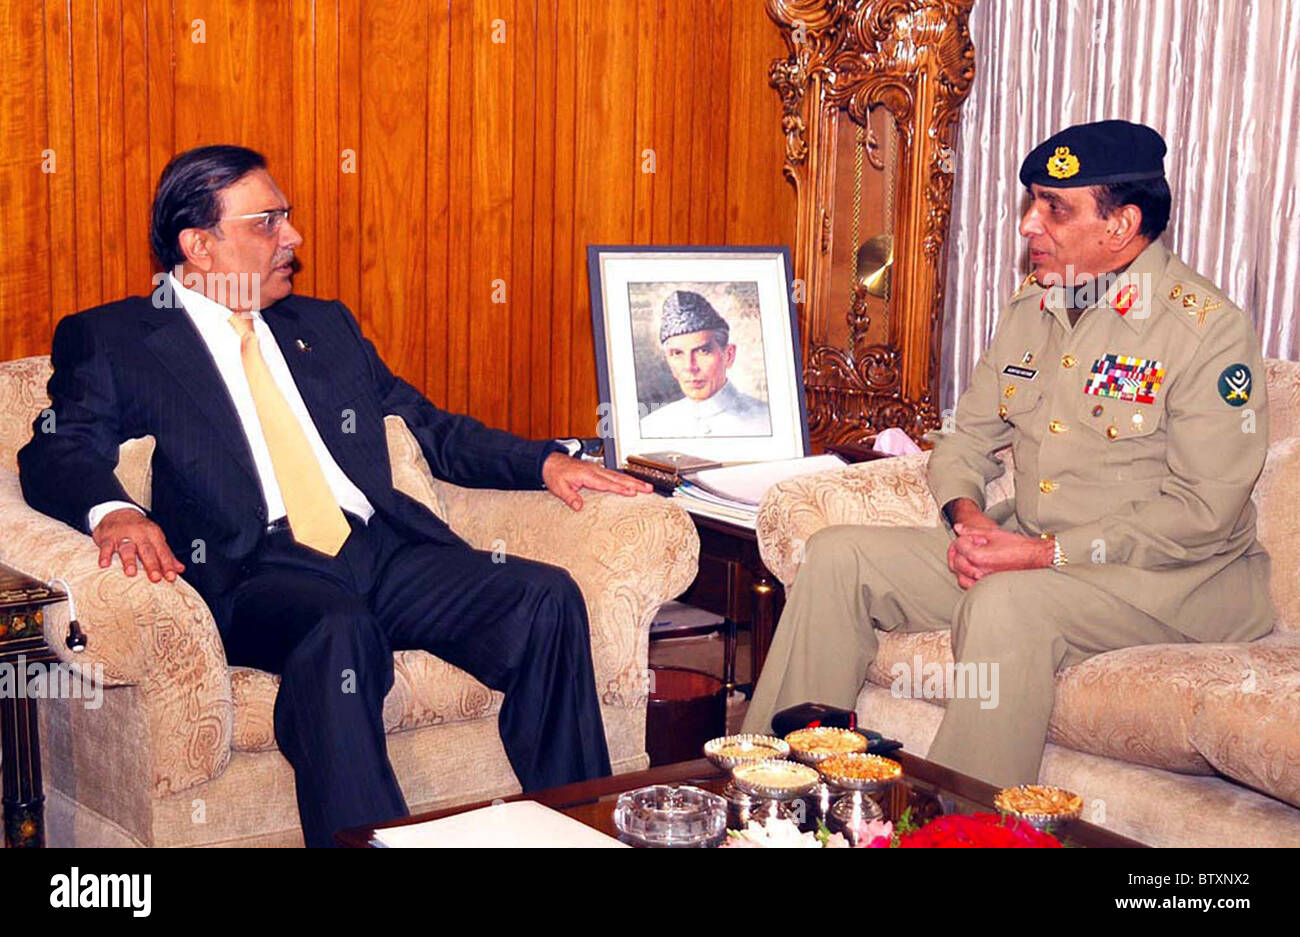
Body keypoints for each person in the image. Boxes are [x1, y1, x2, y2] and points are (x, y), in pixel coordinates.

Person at [18, 144, 652, 846]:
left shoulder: (321, 326)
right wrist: (116, 512)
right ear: (198, 245)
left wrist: (544, 463)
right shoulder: (117, 340)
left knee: (543, 597)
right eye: (267, 223)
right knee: (337, 631)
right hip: (252, 571)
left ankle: (581, 830)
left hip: (375, 548)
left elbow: (428, 426)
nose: (291, 238)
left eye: (285, 218)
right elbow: (55, 448)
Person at [740, 120, 1273, 788]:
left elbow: (1204, 513)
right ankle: (777, 791)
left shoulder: (1206, 331)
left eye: (1055, 208)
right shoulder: (1036, 304)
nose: (1029, 224)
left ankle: (956, 833)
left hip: (1173, 581)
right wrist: (970, 518)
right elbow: (965, 437)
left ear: (1120, 224)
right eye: (1033, 202)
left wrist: (1042, 554)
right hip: (1039, 552)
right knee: (840, 554)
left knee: (1008, 602)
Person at [639, 290, 771, 437]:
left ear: (728, 355)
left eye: (702, 351)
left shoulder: (767, 422)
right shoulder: (651, 428)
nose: (690, 366)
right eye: (677, 353)